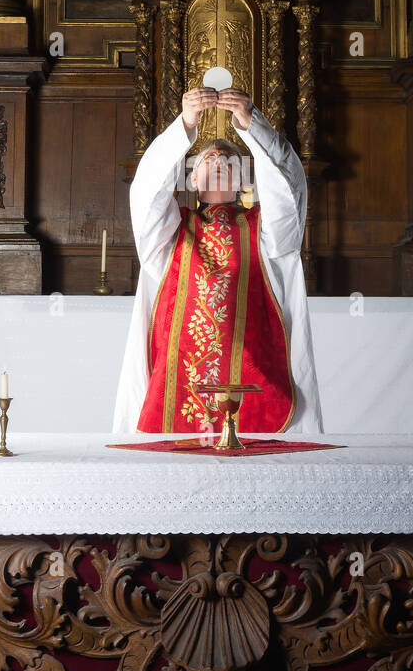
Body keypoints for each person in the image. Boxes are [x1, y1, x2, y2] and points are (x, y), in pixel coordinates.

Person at [112, 86, 323, 436]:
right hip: (179, 382)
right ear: (192, 179)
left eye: (230, 162)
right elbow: (145, 193)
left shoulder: (265, 233)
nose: (220, 164)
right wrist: (185, 123)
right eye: (209, 159)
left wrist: (252, 125)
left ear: (242, 180)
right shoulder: (170, 233)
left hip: (251, 379)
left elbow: (289, 192)